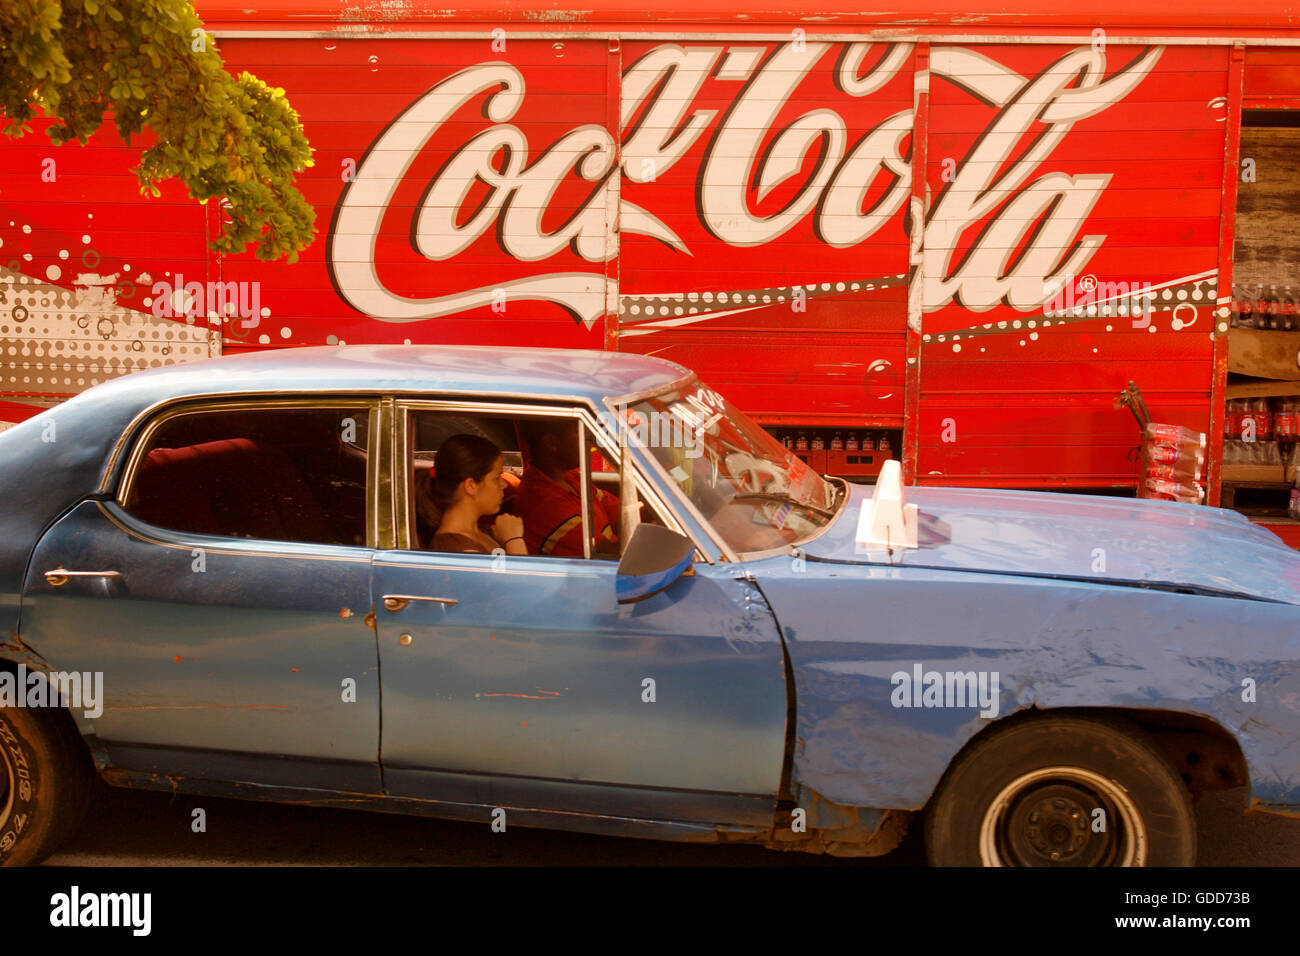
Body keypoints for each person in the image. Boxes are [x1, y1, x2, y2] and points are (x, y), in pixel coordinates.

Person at [515, 418, 618, 557]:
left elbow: (616, 511)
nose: (589, 440)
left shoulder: (570, 477)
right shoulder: (545, 507)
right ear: (551, 442)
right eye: (579, 432)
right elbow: (610, 555)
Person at [426, 434, 527, 556]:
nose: (504, 485)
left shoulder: (485, 532)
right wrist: (514, 540)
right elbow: (521, 575)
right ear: (471, 486)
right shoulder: (458, 550)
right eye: (496, 478)